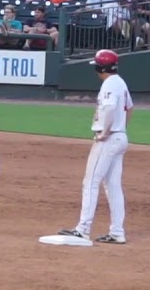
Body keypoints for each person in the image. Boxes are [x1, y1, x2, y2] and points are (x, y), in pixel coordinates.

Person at [54, 49, 133, 245]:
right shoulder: (120, 82)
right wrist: (120, 129)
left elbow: (109, 108)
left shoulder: (109, 84)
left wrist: (105, 132)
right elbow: (130, 108)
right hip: (120, 137)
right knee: (113, 185)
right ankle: (117, 232)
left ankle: (82, 229)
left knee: (90, 182)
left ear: (101, 67)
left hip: (109, 139)